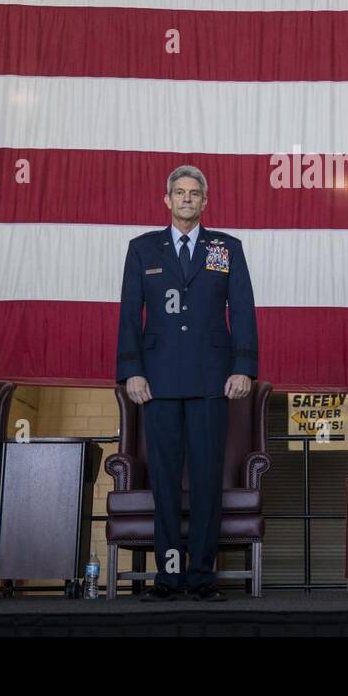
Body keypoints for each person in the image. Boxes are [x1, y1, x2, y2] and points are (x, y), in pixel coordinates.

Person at [116, 166, 257, 601]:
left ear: (205, 200)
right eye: (179, 192)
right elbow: (129, 315)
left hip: (212, 379)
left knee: (206, 480)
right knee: (164, 479)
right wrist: (131, 370)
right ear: (167, 199)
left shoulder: (226, 248)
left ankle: (200, 575)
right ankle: (169, 575)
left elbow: (244, 311)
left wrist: (243, 366)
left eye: (194, 193)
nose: (187, 199)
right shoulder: (142, 248)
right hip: (157, 380)